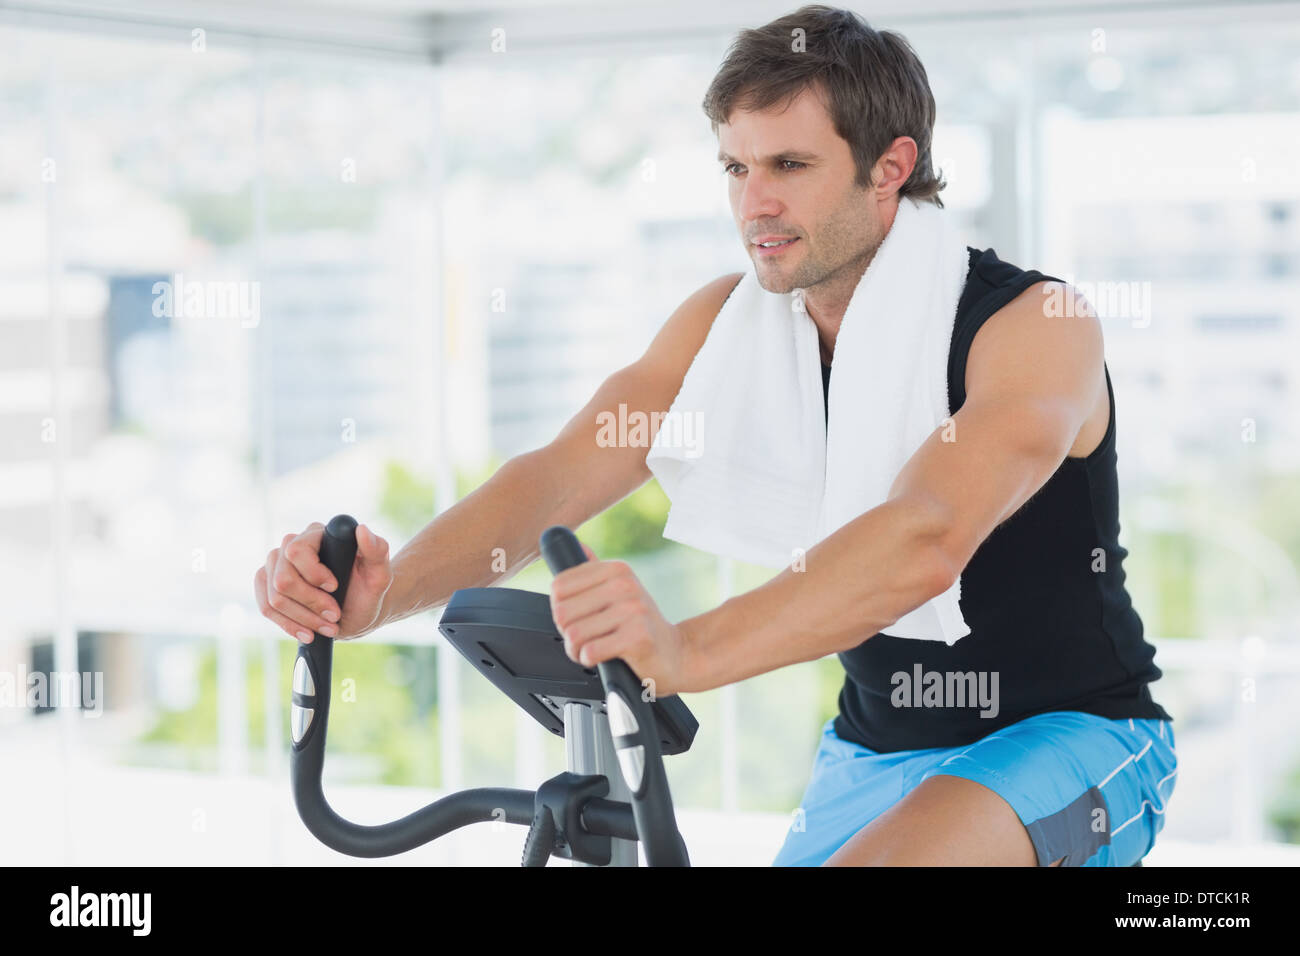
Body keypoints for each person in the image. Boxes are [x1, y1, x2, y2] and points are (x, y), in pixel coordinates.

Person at [255, 4, 1175, 867]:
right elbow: (556, 479)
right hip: (873, 746)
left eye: (790, 166)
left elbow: (926, 537)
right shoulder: (729, 327)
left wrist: (684, 652)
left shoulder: (1033, 324)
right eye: (736, 168)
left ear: (890, 166)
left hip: (1076, 734)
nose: (753, 204)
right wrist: (383, 595)